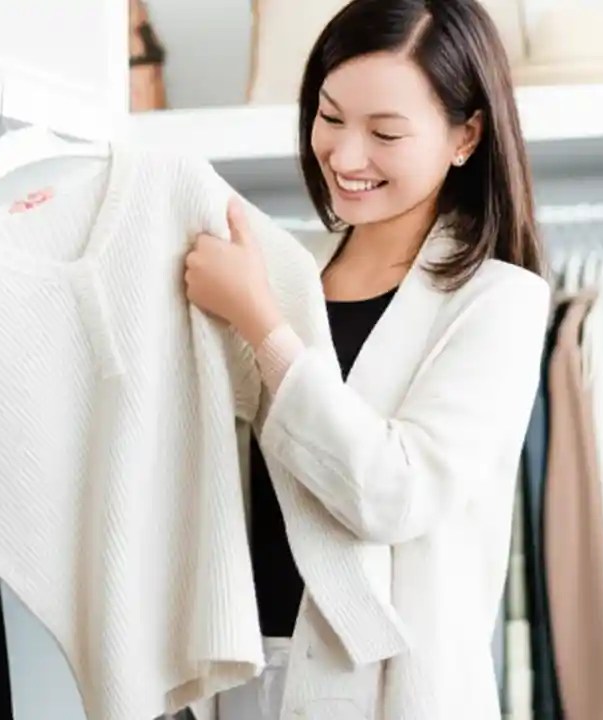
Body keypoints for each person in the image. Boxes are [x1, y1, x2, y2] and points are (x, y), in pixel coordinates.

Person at [183, 0, 550, 717]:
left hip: (393, 692)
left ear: (465, 136)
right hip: (239, 671)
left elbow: (394, 492)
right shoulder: (282, 268)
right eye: (329, 116)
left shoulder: (500, 302)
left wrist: (261, 324)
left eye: (385, 132)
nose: (345, 157)